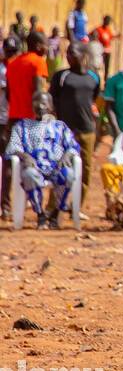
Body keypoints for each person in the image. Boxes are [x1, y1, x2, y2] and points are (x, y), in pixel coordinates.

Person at [3, 90, 80, 228]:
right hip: (34, 168)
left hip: (56, 167)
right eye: (36, 103)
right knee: (29, 175)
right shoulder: (22, 126)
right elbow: (12, 147)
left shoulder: (60, 127)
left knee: (68, 174)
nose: (40, 106)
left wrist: (67, 155)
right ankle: (41, 215)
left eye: (43, 103)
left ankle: (55, 214)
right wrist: (24, 156)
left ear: (51, 106)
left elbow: (73, 146)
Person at [50, 41, 101, 201]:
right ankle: (54, 207)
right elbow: (54, 99)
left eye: (73, 53)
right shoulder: (61, 76)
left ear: (83, 55)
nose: (69, 56)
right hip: (65, 132)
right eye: (68, 53)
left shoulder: (94, 77)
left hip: (87, 130)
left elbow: (94, 98)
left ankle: (78, 206)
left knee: (86, 170)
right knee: (60, 168)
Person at [6, 31, 50, 125]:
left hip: (13, 118)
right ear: (38, 46)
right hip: (31, 119)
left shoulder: (12, 63)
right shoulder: (38, 62)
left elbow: (8, 94)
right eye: (46, 45)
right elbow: (38, 94)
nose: (47, 48)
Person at [0, 35, 16, 216]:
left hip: (10, 120)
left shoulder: (14, 68)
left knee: (9, 164)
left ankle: (5, 205)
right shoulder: (4, 70)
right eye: (9, 51)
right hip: (4, 120)